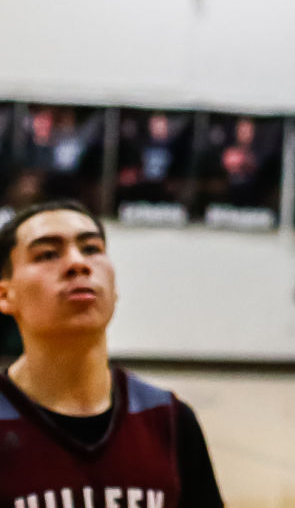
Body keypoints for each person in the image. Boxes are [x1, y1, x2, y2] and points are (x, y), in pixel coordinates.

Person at [0, 200, 224, 507]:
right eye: (48, 254)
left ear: (114, 286)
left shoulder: (168, 419)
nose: (78, 264)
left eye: (91, 249)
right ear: (4, 294)